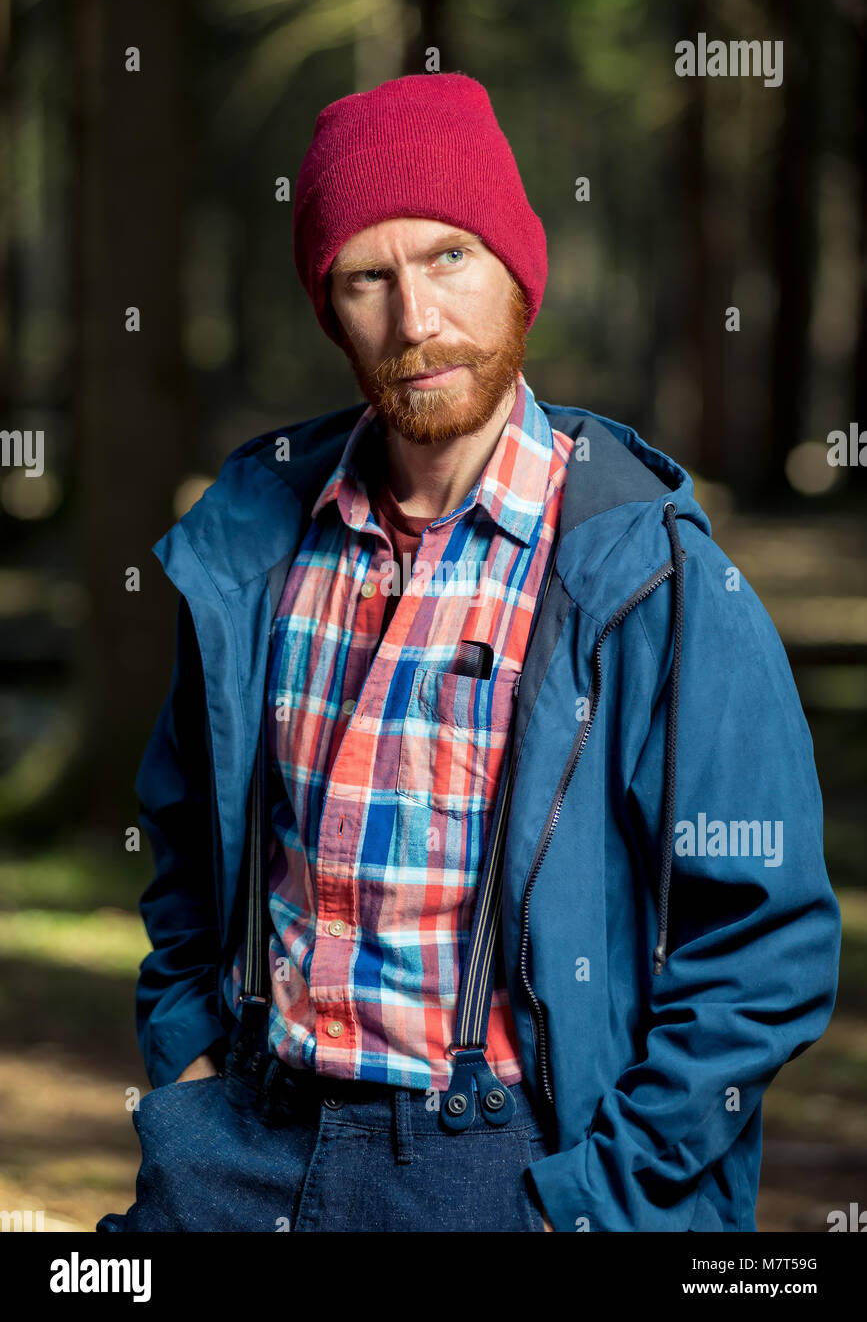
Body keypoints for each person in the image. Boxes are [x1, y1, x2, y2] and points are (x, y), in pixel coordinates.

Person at [97, 72, 841, 1234]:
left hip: (507, 1168)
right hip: (247, 1150)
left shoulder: (654, 575)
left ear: (517, 273)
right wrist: (190, 1053)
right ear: (328, 305)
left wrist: (591, 1205)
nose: (416, 319)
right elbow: (185, 839)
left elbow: (766, 942)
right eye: (366, 277)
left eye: (448, 256)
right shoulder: (253, 549)